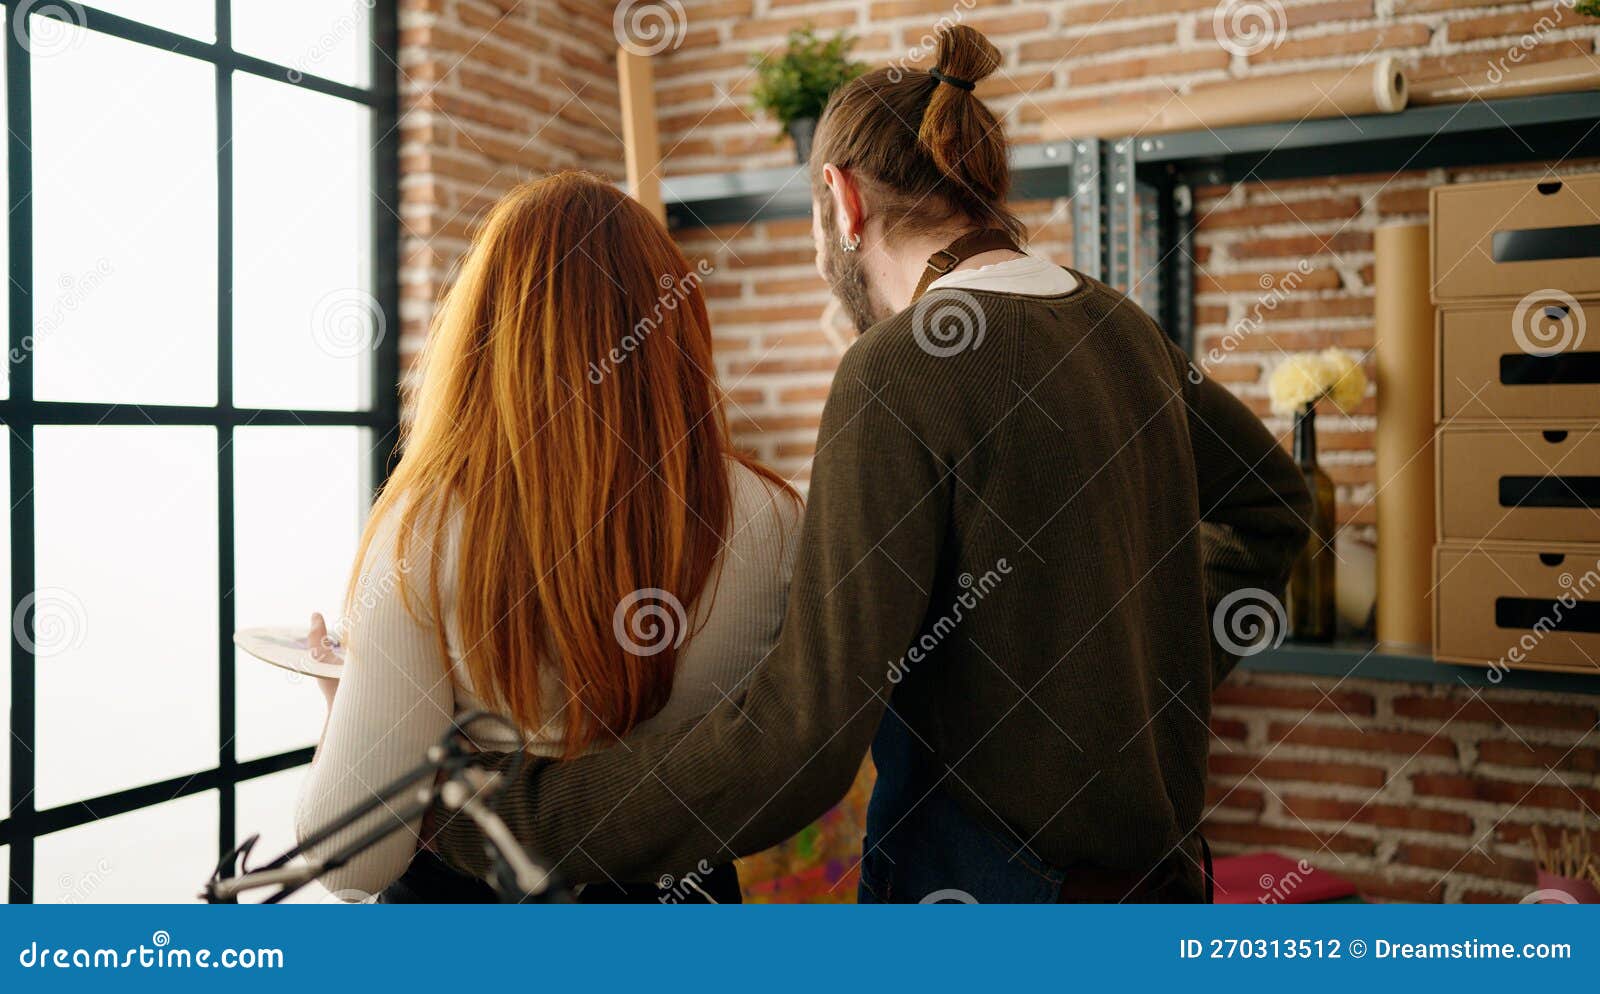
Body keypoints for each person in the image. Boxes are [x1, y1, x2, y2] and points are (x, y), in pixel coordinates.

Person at [427, 23, 1312, 903]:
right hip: (1162, 890)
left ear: (840, 199)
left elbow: (797, 743)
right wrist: (1139, 681)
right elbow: (1276, 507)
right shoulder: (1121, 327)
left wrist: (508, 815)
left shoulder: (900, 367)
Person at [293, 172, 801, 903]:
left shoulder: (426, 524)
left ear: (484, 327)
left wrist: (346, 699)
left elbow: (348, 860)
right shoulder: (776, 517)